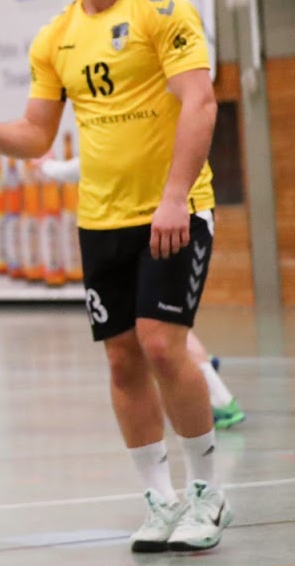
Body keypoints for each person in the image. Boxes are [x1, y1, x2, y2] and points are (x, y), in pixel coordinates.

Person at [0, 0, 226, 554]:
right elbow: (37, 133)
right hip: (101, 218)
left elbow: (200, 102)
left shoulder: (163, 7)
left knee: (164, 344)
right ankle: (158, 501)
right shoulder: (56, 37)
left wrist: (173, 197)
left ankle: (207, 493)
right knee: (123, 357)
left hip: (173, 209)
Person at [40, 156, 245, 430]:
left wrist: (49, 167)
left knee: (163, 335)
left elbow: (104, 161)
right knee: (154, 331)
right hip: (124, 228)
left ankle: (217, 398)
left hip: (159, 226)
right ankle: (213, 390)